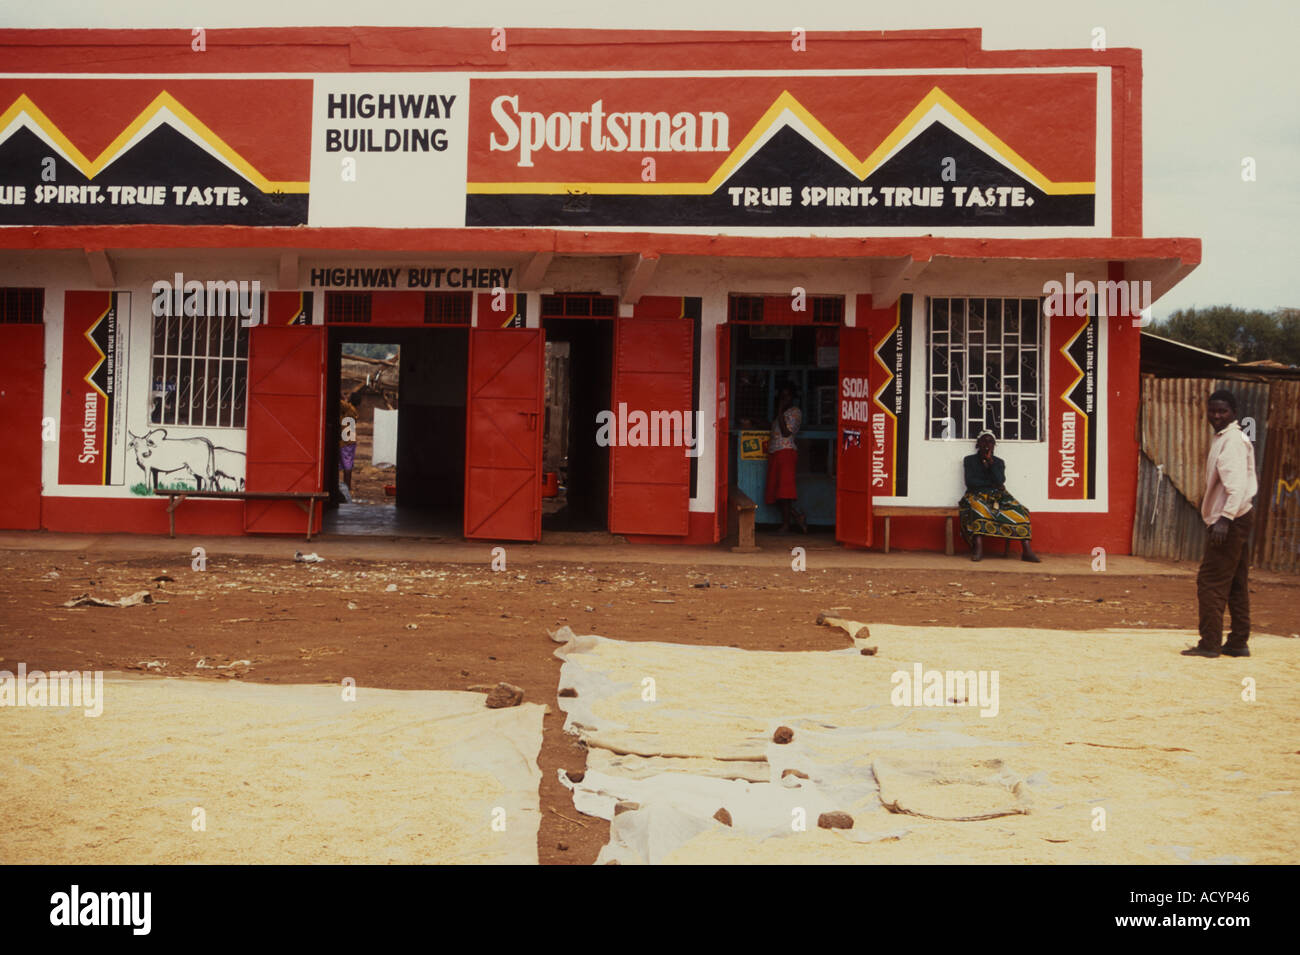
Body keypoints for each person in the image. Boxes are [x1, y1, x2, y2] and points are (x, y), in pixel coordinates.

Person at [1182, 390, 1258, 658]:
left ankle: (1210, 643)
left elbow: (1235, 486)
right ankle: (1238, 641)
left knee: (1211, 581)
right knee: (1236, 580)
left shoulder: (1232, 441)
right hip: (1239, 516)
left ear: (1234, 413)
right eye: (1213, 410)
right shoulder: (1228, 438)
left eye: (1222, 411)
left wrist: (1224, 519)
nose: (1216, 415)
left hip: (1231, 519)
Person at [958, 430, 1039, 562]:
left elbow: (1000, 480)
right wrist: (993, 484)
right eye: (984, 441)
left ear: (994, 445)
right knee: (979, 511)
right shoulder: (969, 460)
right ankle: (978, 549)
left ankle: (1027, 551)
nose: (987, 444)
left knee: (1020, 511)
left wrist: (991, 464)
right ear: (978, 444)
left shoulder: (998, 462)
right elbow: (971, 482)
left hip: (998, 496)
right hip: (976, 495)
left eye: (990, 441)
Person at [765, 381, 807, 533]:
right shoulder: (781, 415)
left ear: (792, 397)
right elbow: (774, 427)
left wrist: (780, 410)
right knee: (775, 491)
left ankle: (786, 525)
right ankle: (797, 516)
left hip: (786, 453)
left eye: (787, 396)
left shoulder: (795, 412)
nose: (784, 399)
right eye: (782, 396)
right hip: (775, 453)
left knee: (785, 492)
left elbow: (785, 432)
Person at [339, 397, 359, 497]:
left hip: (346, 441)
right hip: (348, 440)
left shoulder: (349, 409)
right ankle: (347, 487)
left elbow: (340, 403)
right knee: (347, 464)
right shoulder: (353, 411)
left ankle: (347, 488)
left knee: (347, 465)